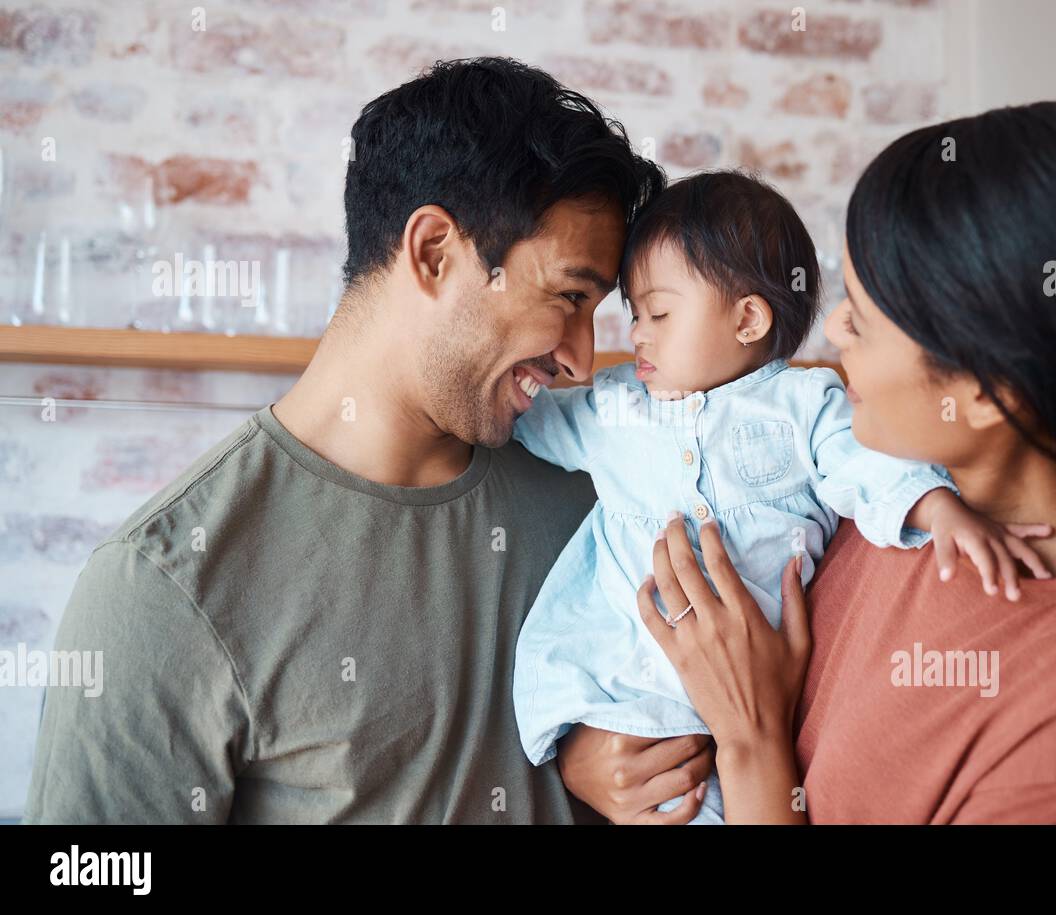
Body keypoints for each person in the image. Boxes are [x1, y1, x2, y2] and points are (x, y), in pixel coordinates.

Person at [557, 101, 1056, 825]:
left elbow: (750, 717)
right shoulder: (889, 480)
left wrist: (752, 742)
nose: (832, 327)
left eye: (865, 319)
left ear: (985, 392)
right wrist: (593, 754)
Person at [24, 57, 663, 824]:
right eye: (567, 296)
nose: (581, 360)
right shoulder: (165, 583)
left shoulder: (610, 493)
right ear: (432, 252)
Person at [509, 171, 1051, 824]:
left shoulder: (805, 404)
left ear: (748, 317)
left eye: (658, 313)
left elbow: (865, 463)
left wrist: (937, 508)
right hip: (619, 679)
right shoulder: (615, 406)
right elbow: (525, 420)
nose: (638, 334)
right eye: (634, 313)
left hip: (739, 701)